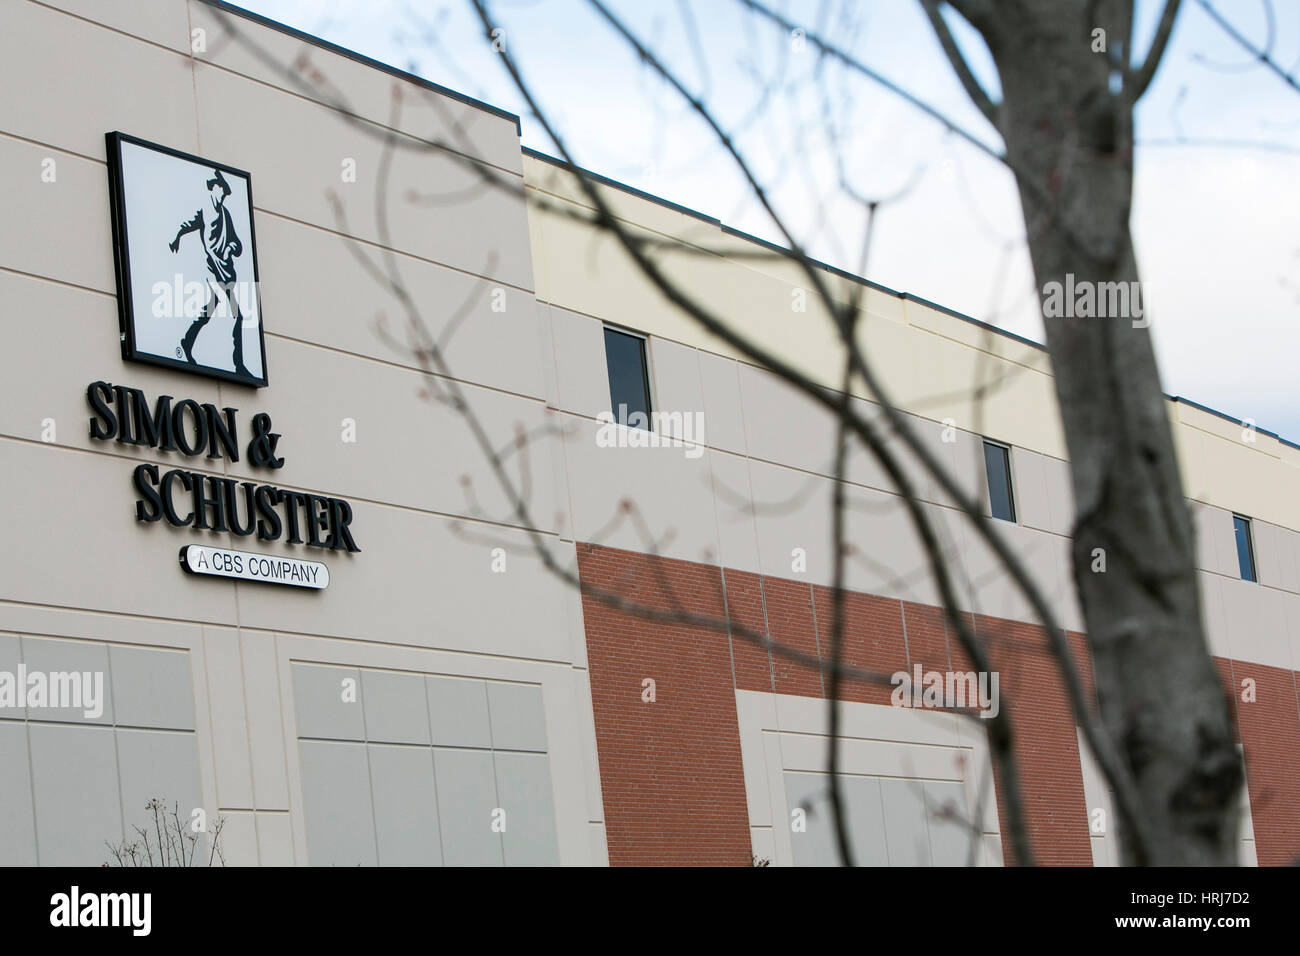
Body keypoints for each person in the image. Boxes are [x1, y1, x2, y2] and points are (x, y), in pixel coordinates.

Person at [168, 169, 253, 378]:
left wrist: (231, 248)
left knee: (226, 313)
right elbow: (188, 224)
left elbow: (237, 243)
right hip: (211, 269)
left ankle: (236, 364)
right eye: (221, 190)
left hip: (226, 271)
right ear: (214, 188)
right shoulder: (204, 210)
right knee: (227, 311)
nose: (223, 194)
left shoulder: (226, 214)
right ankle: (235, 363)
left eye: (225, 192)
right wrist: (177, 237)